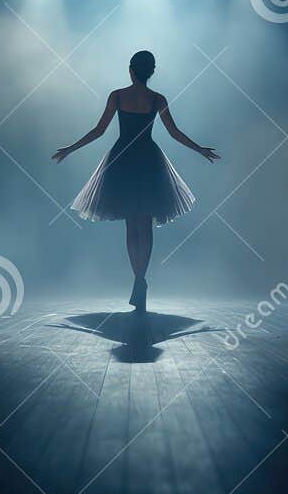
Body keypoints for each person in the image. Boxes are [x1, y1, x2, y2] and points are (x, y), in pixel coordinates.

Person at [52, 50, 219, 311]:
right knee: (145, 224)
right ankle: (141, 280)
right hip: (148, 159)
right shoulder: (157, 99)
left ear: (131, 70)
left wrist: (70, 149)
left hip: (123, 160)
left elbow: (99, 131)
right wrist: (199, 149)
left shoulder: (118, 96)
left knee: (132, 225)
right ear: (150, 72)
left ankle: (138, 279)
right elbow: (174, 133)